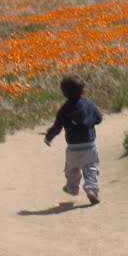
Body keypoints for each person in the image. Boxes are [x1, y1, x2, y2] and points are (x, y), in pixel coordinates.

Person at [44, 75, 103, 205]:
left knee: (71, 169)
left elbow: (57, 126)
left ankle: (72, 188)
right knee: (91, 167)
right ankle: (91, 188)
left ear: (64, 92)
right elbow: (99, 119)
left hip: (72, 148)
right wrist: (90, 121)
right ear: (83, 89)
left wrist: (49, 137)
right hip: (89, 145)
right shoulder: (89, 104)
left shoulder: (64, 109)